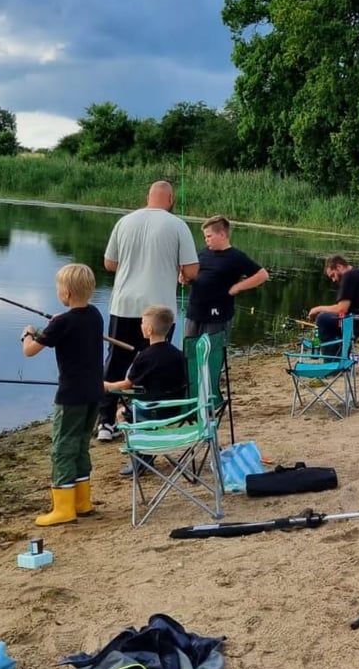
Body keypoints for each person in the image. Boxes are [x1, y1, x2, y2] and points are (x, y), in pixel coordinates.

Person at [98, 180, 199, 442]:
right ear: (171, 199)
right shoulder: (178, 225)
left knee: (115, 362)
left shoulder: (124, 221)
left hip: (123, 305)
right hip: (159, 310)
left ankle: (105, 422)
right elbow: (191, 271)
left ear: (148, 197)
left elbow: (109, 263)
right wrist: (178, 271)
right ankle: (142, 418)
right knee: (154, 364)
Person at [20, 264, 104, 526]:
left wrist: (27, 333)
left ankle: (64, 509)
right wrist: (56, 324)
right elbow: (70, 325)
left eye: (59, 289)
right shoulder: (95, 315)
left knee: (62, 449)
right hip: (94, 393)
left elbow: (29, 351)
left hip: (71, 397)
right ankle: (82, 502)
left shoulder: (62, 323)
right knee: (80, 446)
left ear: (66, 294)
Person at [103, 305, 187, 477]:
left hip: (154, 411)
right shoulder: (178, 354)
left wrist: (107, 386)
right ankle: (145, 455)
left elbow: (126, 385)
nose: (140, 325)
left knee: (122, 413)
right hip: (178, 409)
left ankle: (140, 458)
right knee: (144, 403)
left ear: (149, 330)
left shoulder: (144, 357)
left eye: (142, 323)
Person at [181, 215, 269, 338]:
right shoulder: (203, 253)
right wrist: (186, 278)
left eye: (209, 236)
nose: (206, 240)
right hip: (194, 313)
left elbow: (262, 275)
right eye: (205, 237)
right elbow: (195, 275)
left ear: (222, 235)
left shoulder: (236, 257)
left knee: (213, 349)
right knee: (189, 348)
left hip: (217, 316)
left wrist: (238, 286)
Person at [308, 255, 359, 357]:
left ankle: (332, 361)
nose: (333, 280)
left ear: (339, 267)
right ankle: (340, 357)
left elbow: (341, 309)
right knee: (336, 319)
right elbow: (343, 308)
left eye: (333, 275)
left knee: (323, 319)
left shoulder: (349, 276)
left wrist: (317, 309)